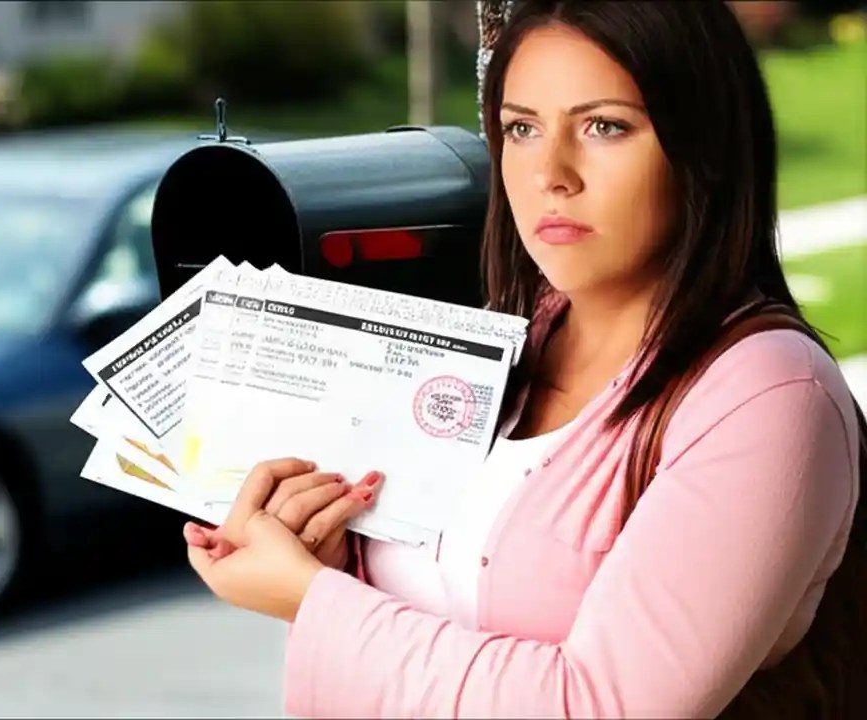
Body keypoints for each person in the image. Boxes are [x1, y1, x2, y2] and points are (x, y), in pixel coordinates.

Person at [181, 1, 866, 717]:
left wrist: (314, 601)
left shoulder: (767, 392)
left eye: (605, 126)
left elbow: (600, 704)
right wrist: (318, 552)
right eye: (522, 128)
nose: (551, 173)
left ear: (706, 146)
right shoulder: (499, 338)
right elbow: (428, 607)